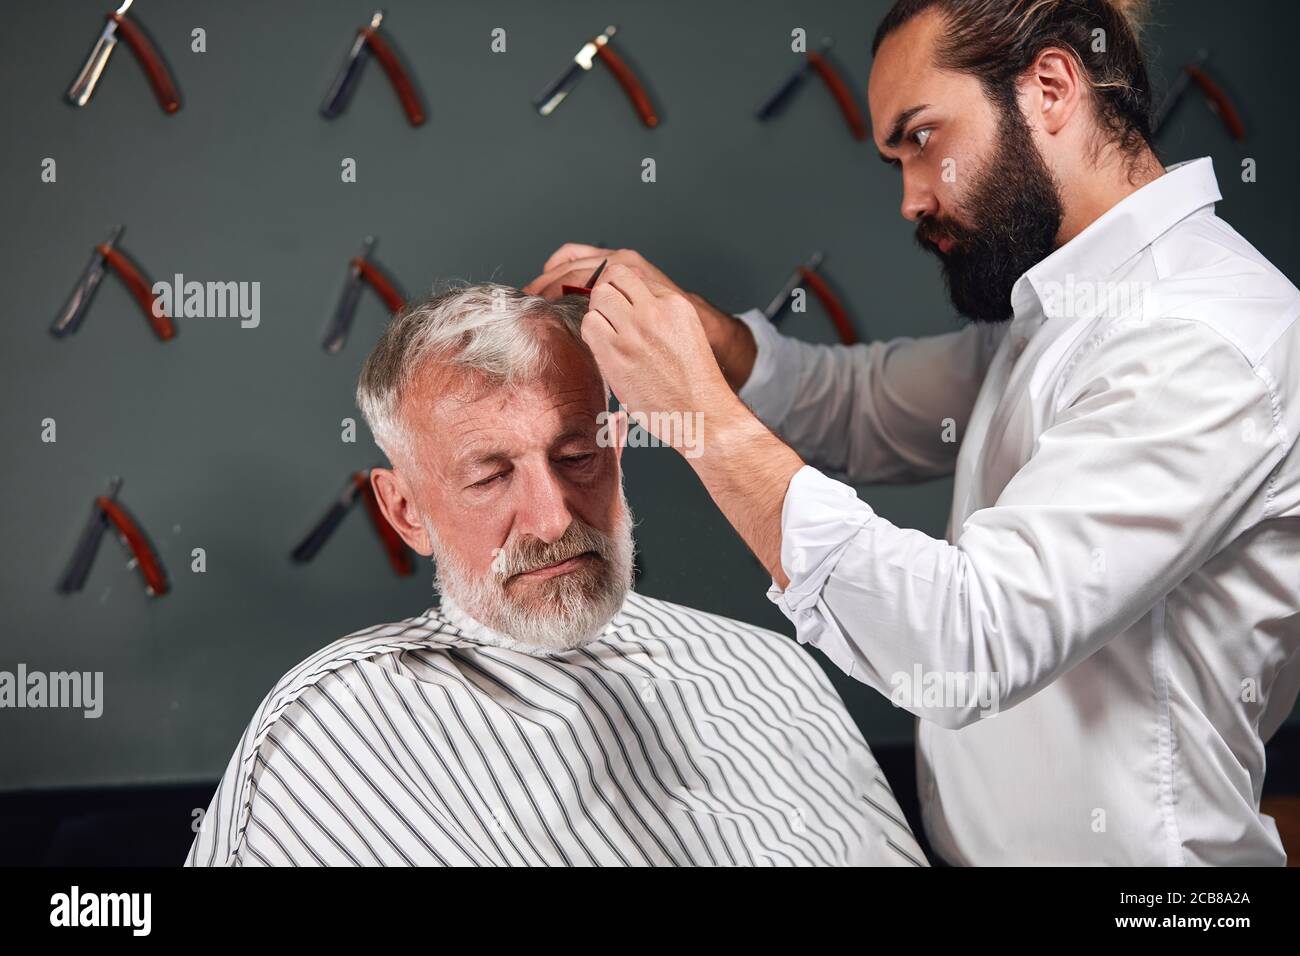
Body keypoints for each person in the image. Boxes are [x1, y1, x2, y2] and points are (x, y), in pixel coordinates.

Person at [525, 0, 1300, 864]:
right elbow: (864, 407)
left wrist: (700, 412)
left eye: (922, 138)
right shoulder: (1069, 302)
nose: (909, 198)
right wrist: (722, 347)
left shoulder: (1199, 336)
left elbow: (969, 640)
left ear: (1050, 86)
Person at [185, 284, 925, 867]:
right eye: (490, 476)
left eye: (576, 458)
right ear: (406, 510)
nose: (553, 517)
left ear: (618, 450)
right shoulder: (335, 725)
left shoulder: (769, 671)